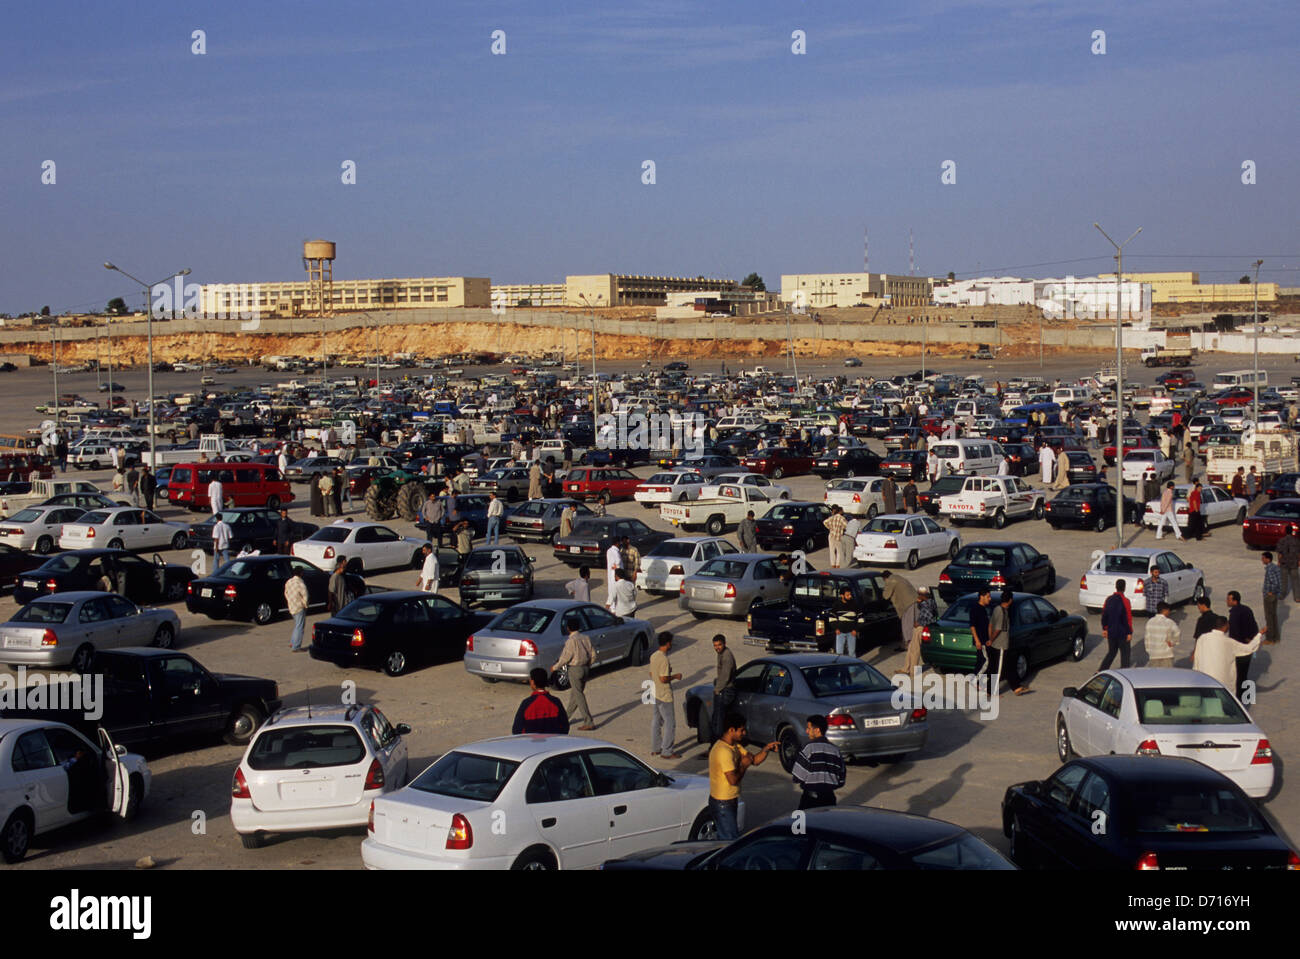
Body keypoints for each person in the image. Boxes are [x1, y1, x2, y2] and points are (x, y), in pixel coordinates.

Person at [708, 713, 777, 841]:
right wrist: (744, 766)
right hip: (723, 803)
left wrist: (766, 749)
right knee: (729, 842)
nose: (744, 733)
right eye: (741, 730)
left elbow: (754, 760)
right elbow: (733, 780)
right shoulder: (723, 751)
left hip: (729, 800)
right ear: (731, 730)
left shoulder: (734, 746)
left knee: (725, 839)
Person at [1193, 616, 1261, 695]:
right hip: (1222, 683)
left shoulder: (1202, 638)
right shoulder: (1228, 642)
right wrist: (1259, 634)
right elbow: (1248, 648)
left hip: (1204, 680)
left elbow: (1196, 659)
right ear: (1225, 626)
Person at [791, 715, 846, 809]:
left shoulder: (809, 748)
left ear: (817, 730)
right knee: (825, 823)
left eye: (808, 728)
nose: (806, 731)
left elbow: (797, 777)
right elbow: (841, 780)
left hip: (810, 799)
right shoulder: (835, 750)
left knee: (799, 823)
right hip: (829, 799)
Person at [552, 619, 596, 731]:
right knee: (575, 695)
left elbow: (566, 657)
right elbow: (593, 654)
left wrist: (555, 667)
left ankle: (588, 721)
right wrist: (588, 664)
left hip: (575, 669)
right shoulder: (586, 638)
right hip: (585, 668)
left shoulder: (571, 641)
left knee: (578, 695)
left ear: (568, 628)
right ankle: (565, 718)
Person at [988, 588, 1029, 694]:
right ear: (1010, 600)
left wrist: (990, 638)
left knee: (1008, 666)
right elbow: (998, 628)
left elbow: (990, 624)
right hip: (1001, 645)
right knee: (998, 669)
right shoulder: (1002, 612)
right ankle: (990, 690)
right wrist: (992, 639)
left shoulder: (997, 609)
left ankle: (1016, 687)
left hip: (1000, 644)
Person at [648, 632, 681, 757]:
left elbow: (652, 674)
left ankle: (656, 747)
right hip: (665, 694)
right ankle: (667, 751)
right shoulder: (664, 659)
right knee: (670, 723)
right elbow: (663, 678)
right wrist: (674, 676)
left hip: (656, 692)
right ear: (668, 643)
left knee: (656, 720)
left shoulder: (654, 656)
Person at [511, 668, 570, 734]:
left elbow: (517, 730)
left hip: (531, 743)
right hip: (553, 742)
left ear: (532, 682)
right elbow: (564, 727)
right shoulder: (556, 702)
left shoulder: (526, 704)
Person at [1225, 590, 1260, 700]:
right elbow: (1254, 626)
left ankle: (1239, 697)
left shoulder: (1234, 613)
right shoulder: (1247, 609)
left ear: (1234, 600)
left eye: (1228, 599)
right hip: (1248, 646)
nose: (1227, 601)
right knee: (1244, 672)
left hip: (1238, 647)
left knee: (1237, 674)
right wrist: (1250, 639)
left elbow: (1235, 632)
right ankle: (1247, 696)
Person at [880, 570, 917, 654]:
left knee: (907, 626)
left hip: (907, 605)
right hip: (914, 602)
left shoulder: (891, 580)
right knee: (912, 625)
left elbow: (885, 596)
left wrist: (884, 588)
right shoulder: (899, 577)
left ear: (885, 578)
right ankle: (907, 645)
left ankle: (909, 645)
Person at [904, 586, 937, 677]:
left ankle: (912, 671)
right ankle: (906, 668)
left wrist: (919, 623)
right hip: (921, 627)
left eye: (919, 595)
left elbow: (929, 618)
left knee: (915, 650)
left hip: (920, 628)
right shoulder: (930, 602)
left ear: (922, 595)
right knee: (912, 648)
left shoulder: (925, 604)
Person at [710, 635, 737, 743]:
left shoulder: (726, 656)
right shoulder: (721, 654)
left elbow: (725, 676)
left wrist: (717, 689)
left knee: (719, 719)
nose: (717, 647)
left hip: (726, 690)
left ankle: (717, 744)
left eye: (719, 645)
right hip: (723, 689)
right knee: (717, 718)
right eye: (715, 645)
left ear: (724, 644)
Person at [1143, 601, 1179, 668]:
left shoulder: (1150, 622)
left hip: (1154, 655)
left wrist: (1149, 650)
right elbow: (1177, 633)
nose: (1169, 612)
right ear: (1165, 610)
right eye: (1169, 610)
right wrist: (1173, 642)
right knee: (1166, 676)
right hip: (1166, 654)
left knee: (1155, 676)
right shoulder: (1169, 622)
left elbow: (1147, 639)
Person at [969, 587, 994, 677]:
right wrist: (977, 640)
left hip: (985, 640)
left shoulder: (983, 609)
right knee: (985, 661)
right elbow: (972, 626)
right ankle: (974, 679)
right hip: (981, 640)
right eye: (988, 597)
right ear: (981, 597)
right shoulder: (976, 609)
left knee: (980, 660)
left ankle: (979, 682)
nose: (990, 599)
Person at [830, 585, 860, 657]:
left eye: (850, 594)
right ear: (842, 595)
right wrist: (836, 628)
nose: (850, 596)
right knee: (839, 654)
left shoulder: (854, 604)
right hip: (840, 632)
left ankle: (852, 668)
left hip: (852, 632)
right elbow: (831, 618)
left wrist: (856, 629)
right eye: (847, 595)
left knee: (852, 653)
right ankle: (840, 668)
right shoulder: (836, 605)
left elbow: (860, 618)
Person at [285, 565, 310, 652]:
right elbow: (305, 596)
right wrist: (305, 605)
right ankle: (296, 646)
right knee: (300, 627)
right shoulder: (300, 583)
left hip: (291, 606)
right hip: (299, 607)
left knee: (297, 625)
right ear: (301, 573)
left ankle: (292, 642)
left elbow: (286, 593)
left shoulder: (289, 581)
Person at [1262, 551, 1281, 645]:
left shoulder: (1269, 569)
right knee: (1273, 616)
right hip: (1275, 595)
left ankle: (1270, 638)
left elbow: (1275, 582)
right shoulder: (1275, 567)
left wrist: (1271, 592)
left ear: (1267, 559)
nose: (1262, 560)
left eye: (1263, 558)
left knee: (1269, 617)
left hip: (1270, 596)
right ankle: (1276, 637)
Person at [1276, 524, 1300, 601]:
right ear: (1292, 531)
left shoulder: (1282, 540)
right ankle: (1297, 597)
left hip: (1284, 562)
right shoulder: (1296, 541)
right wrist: (1299, 561)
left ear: (1285, 531)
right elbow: (1299, 552)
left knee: (1284, 580)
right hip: (1294, 562)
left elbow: (1280, 553)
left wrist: (1279, 561)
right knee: (1295, 580)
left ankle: (1282, 595)